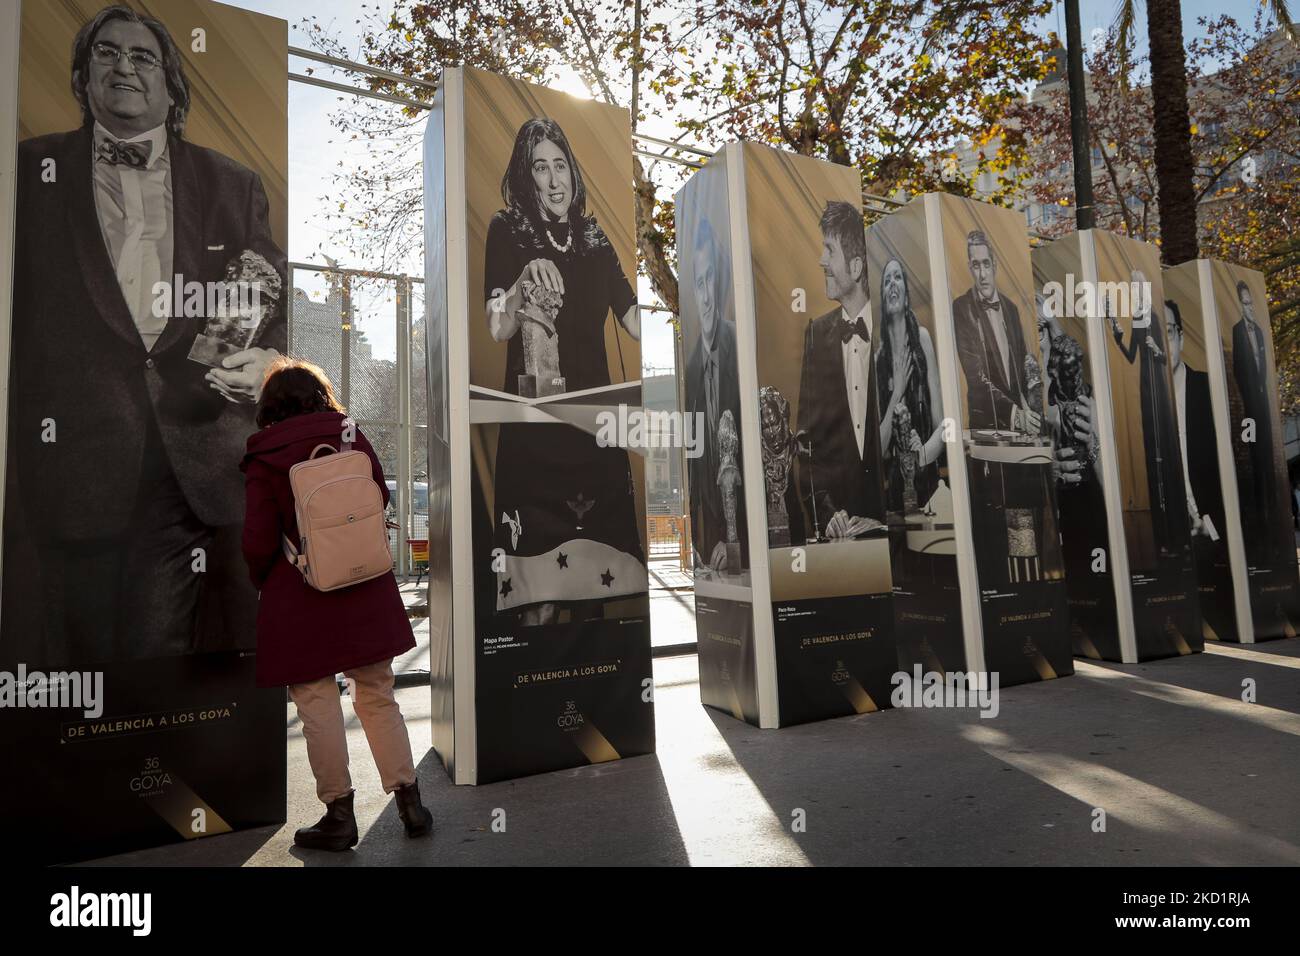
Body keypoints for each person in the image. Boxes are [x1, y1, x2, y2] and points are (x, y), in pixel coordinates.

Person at [5, 4, 285, 664]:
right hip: (74, 470)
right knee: (90, 676)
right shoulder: (23, 172)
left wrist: (268, 359)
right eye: (106, 53)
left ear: (170, 83)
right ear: (82, 78)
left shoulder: (233, 184)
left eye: (141, 56)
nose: (123, 66)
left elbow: (269, 306)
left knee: (227, 680)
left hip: (210, 460)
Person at [240, 358, 431, 851]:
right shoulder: (350, 435)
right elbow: (378, 498)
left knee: (316, 700)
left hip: (299, 589)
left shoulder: (265, 455)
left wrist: (270, 577)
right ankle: (410, 801)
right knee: (377, 692)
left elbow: (259, 537)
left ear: (271, 405)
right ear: (320, 395)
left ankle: (339, 816)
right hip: (365, 582)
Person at [483, 118, 645, 620]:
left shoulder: (594, 238)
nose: (554, 181)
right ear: (526, 176)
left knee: (593, 588)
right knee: (539, 597)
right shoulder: (507, 229)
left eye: (560, 166)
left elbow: (632, 315)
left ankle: (590, 690)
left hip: (593, 432)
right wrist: (521, 280)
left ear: (572, 173)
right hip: (537, 433)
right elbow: (495, 326)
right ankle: (539, 686)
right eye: (540, 168)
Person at [794, 201, 885, 539]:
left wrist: (886, 519)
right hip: (838, 541)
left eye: (829, 251)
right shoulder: (815, 335)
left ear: (857, 266)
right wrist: (826, 513)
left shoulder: (893, 330)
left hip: (894, 541)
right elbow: (806, 445)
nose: (821, 261)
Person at [1107, 271, 1188, 559]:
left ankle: (1178, 533)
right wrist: (1117, 331)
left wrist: (1156, 349)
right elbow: (1130, 355)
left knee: (1167, 456)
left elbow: (1166, 358)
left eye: (1139, 287)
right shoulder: (1137, 318)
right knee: (1152, 463)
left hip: (1159, 392)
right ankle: (1161, 535)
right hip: (1145, 391)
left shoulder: (1154, 316)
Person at [685, 215, 747, 572]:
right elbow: (695, 463)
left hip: (745, 541)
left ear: (720, 282)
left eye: (710, 279)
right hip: (710, 549)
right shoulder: (691, 369)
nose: (706, 296)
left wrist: (734, 535)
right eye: (698, 283)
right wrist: (694, 541)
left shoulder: (739, 343)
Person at [875, 256, 943, 515]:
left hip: (929, 485)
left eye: (898, 277)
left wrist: (922, 455)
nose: (892, 283)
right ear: (882, 296)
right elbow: (880, 451)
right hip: (895, 493)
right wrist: (898, 391)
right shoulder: (878, 360)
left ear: (905, 293)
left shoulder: (922, 341)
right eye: (886, 280)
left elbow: (942, 424)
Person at [1230, 279, 1282, 560]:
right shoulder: (1238, 332)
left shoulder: (1261, 333)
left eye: (1252, 303)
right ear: (1240, 305)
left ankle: (1272, 518)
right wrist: (1248, 396)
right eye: (1246, 304)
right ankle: (1259, 521)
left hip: (1262, 405)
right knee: (1254, 461)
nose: (1250, 308)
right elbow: (1239, 367)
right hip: (1249, 406)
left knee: (1267, 458)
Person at [1165, 299, 1223, 543]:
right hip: (1167, 545)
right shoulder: (1137, 405)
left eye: (1167, 332)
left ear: (1181, 337)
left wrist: (1210, 528)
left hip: (1215, 535)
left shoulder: (1211, 390)